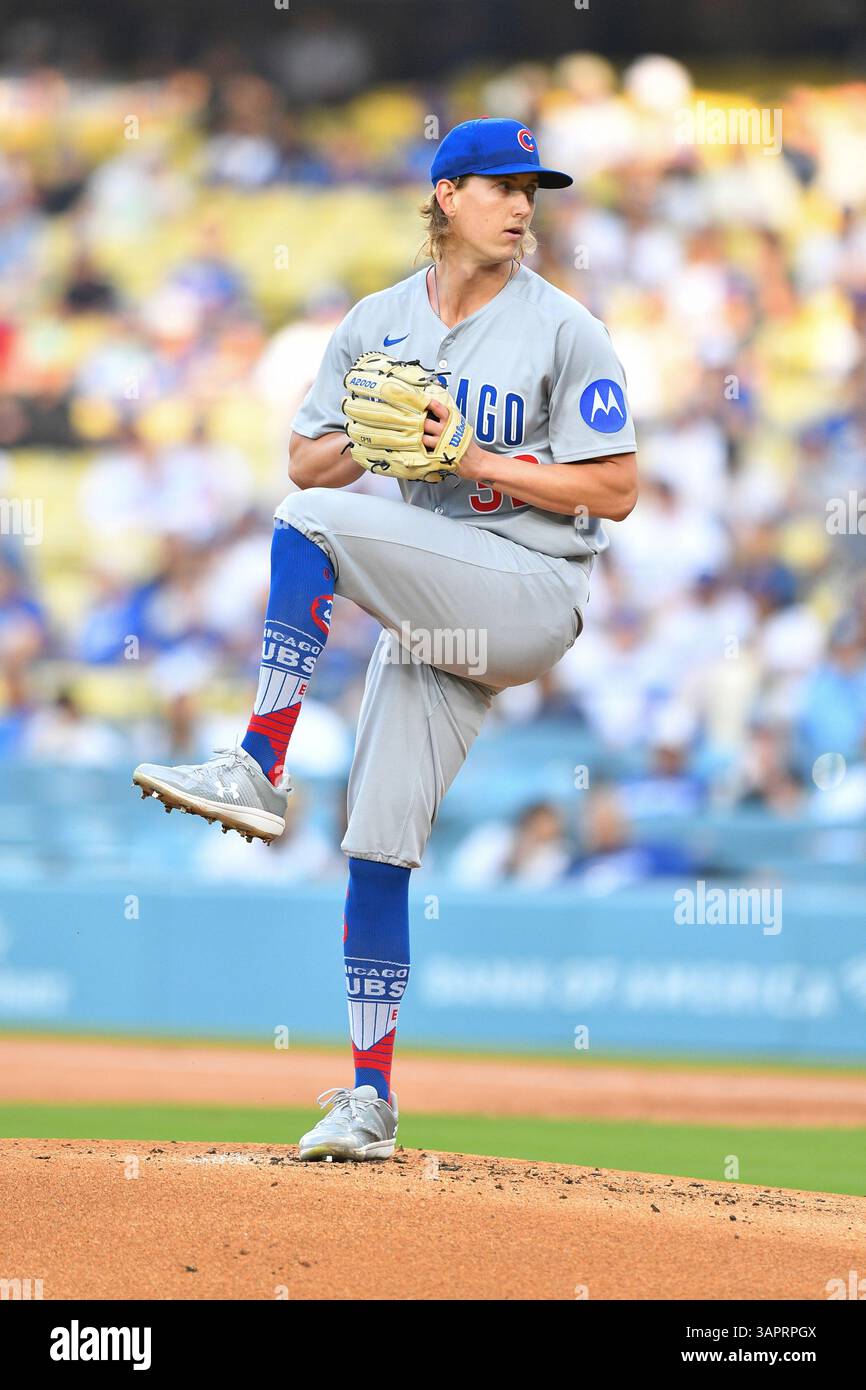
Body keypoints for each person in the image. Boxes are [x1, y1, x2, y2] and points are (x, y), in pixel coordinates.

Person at [132, 118, 638, 1161]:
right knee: (375, 842)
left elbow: (617, 487)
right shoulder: (373, 322)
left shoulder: (564, 329)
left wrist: (473, 454)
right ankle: (369, 1102)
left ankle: (258, 764)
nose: (520, 204)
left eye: (530, 189)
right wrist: (370, 441)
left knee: (301, 531)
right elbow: (307, 463)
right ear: (446, 195)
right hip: (434, 597)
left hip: (531, 585)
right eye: (500, 184)